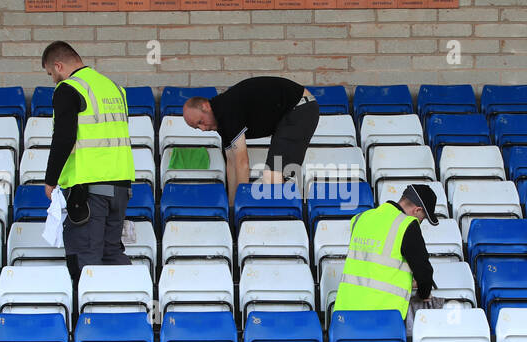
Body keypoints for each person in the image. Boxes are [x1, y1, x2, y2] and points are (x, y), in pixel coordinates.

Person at [41, 41, 134, 276]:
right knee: (111, 252)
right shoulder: (114, 87)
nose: (53, 80)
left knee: (84, 256)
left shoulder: (69, 88)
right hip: (120, 185)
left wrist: (51, 179)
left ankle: (90, 311)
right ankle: (128, 305)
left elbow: (64, 137)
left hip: (88, 187)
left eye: (51, 74)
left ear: (59, 66)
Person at [181, 75, 320, 203]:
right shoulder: (221, 122)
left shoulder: (226, 109)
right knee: (273, 176)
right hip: (289, 115)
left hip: (301, 108)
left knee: (271, 175)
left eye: (200, 122)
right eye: (197, 128)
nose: (203, 129)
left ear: (205, 106)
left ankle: (279, 220)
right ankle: (280, 215)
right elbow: (232, 163)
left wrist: (242, 202)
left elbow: (242, 162)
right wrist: (231, 205)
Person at [333, 184, 440, 320]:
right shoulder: (407, 224)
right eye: (422, 219)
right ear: (417, 210)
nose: (420, 222)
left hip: (345, 311)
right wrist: (424, 293)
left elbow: (371, 265)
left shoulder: (360, 218)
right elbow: (424, 273)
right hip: (383, 316)